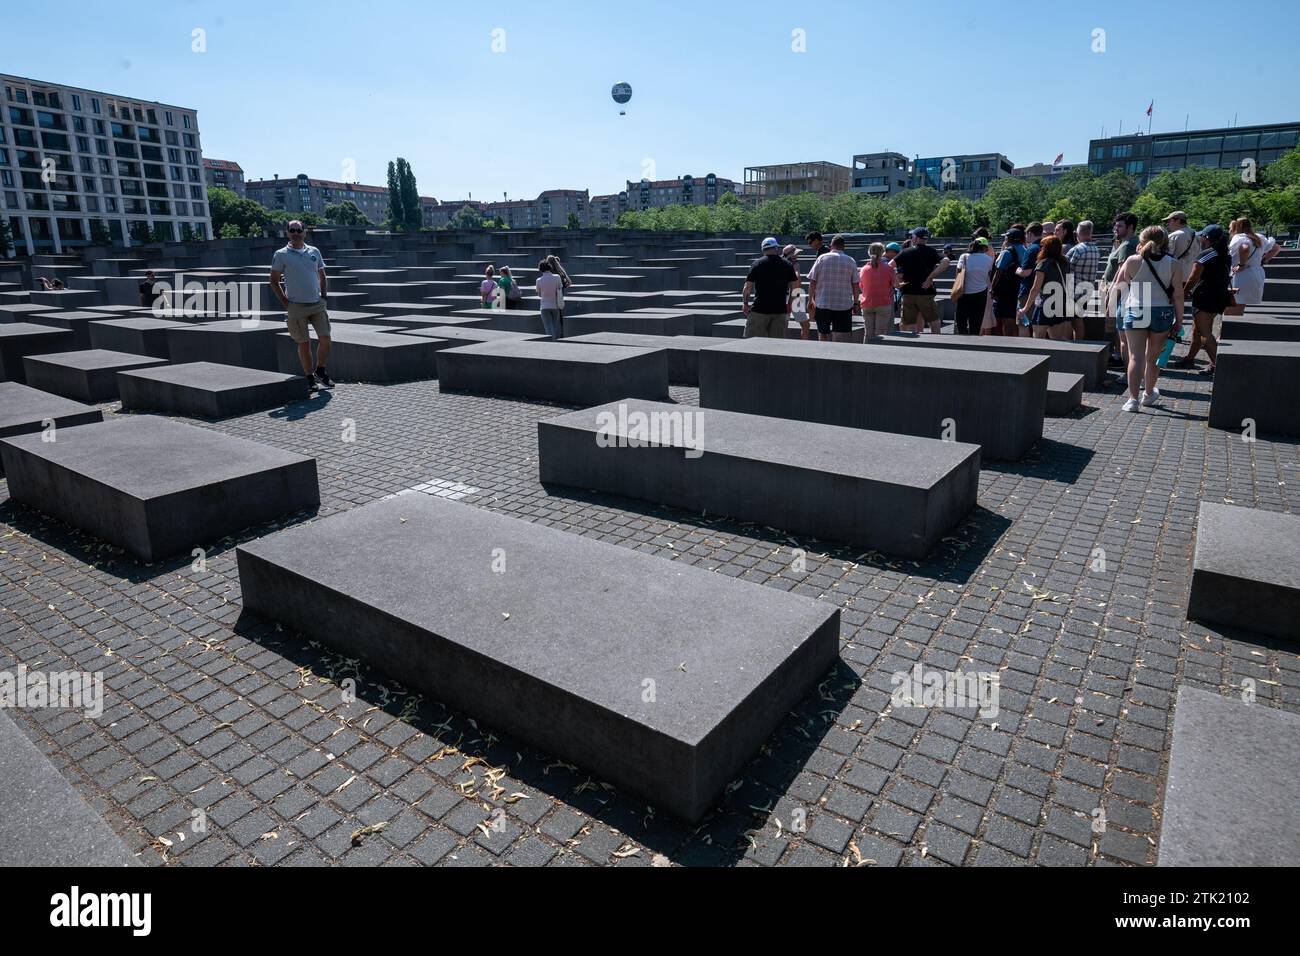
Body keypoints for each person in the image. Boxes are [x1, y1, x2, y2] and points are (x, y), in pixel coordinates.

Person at [1109, 225, 1184, 412]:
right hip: (1162, 312)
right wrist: (1180, 320)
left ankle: (1132, 400)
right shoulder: (1174, 264)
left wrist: (1110, 310)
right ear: (1165, 241)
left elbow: (1119, 287)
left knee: (1135, 357)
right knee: (1153, 357)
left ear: (1141, 240)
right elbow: (1178, 296)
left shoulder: (1132, 260)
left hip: (1136, 309)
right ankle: (1149, 393)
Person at [269, 219, 332, 391]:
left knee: (325, 339)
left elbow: (322, 275)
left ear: (305, 232)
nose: (296, 233)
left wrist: (324, 296)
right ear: (287, 233)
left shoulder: (314, 251)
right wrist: (285, 302)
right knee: (303, 343)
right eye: (292, 230)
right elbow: (274, 281)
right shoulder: (281, 254)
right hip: (295, 306)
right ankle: (309, 378)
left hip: (317, 303)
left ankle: (320, 371)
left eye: (299, 230)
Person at [1174, 224, 1232, 375]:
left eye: (1202, 236)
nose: (1200, 238)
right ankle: (1189, 359)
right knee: (1196, 330)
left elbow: (1193, 277)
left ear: (1206, 238)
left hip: (1205, 297)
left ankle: (1217, 365)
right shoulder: (1225, 254)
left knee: (1205, 332)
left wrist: (1184, 292)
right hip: (1218, 296)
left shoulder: (1206, 255)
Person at [892, 227, 948, 334]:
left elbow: (889, 266)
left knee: (909, 323)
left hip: (908, 293)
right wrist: (930, 278)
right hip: (926, 293)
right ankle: (937, 344)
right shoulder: (931, 251)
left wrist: (896, 283)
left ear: (915, 238)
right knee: (934, 322)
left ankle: (912, 346)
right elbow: (946, 262)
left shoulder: (905, 252)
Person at [806, 234, 861, 342]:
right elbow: (855, 284)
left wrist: (810, 300)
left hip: (823, 303)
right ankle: (836, 356)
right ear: (843, 246)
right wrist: (855, 302)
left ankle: (823, 356)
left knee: (822, 333)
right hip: (843, 305)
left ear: (831, 245)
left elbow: (812, 281)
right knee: (839, 335)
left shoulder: (821, 258)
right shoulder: (851, 261)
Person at [1018, 235, 1073, 340]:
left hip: (1044, 306)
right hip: (1060, 306)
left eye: (1042, 246)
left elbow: (1035, 288)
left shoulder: (1043, 264)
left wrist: (1025, 309)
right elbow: (1069, 283)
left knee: (1038, 340)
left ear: (1046, 249)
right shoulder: (1065, 262)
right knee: (1057, 340)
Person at [742, 237, 799, 338]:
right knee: (776, 346)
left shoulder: (757, 264)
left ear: (763, 249)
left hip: (759, 310)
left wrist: (745, 304)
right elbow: (795, 288)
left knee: (752, 346)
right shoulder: (788, 265)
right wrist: (790, 304)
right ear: (776, 248)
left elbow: (747, 287)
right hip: (780, 311)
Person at [1103, 212, 1140, 368]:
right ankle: (1121, 356)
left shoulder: (1127, 245)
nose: (1115, 228)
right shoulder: (1128, 242)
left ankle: (1121, 358)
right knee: (1119, 327)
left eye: (1120, 226)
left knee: (1119, 328)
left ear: (1130, 227)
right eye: (1115, 225)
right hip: (1124, 292)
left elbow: (1121, 272)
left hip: (1121, 292)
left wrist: (1112, 294)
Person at [1225, 217, 1275, 314]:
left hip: (1241, 274)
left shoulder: (1239, 237)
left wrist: (1241, 265)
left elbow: (1245, 248)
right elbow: (1276, 248)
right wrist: (1264, 260)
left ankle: (1233, 327)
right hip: (1256, 272)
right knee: (1240, 304)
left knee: (1234, 304)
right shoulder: (1259, 237)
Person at [1066, 220, 1100, 340]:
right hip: (1087, 290)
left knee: (1071, 321)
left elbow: (1065, 267)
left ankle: (1074, 346)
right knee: (1078, 319)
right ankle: (1079, 343)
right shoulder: (1096, 249)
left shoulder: (1077, 249)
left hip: (1073, 290)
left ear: (1078, 233)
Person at [991, 226, 1028, 337]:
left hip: (1006, 291)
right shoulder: (1026, 250)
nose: (1005, 240)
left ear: (1010, 239)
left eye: (1006, 237)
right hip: (1019, 288)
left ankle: (1009, 342)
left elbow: (998, 272)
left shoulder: (1007, 252)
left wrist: (992, 288)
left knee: (1006, 321)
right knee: (1015, 319)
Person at [953, 237, 993, 335]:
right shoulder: (989, 259)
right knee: (976, 323)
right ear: (984, 248)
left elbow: (958, 273)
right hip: (981, 294)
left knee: (961, 322)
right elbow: (989, 274)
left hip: (964, 293)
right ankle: (973, 344)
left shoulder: (964, 256)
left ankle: (963, 343)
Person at [859, 242, 898, 339]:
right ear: (883, 253)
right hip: (883, 303)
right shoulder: (889, 268)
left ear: (869, 252)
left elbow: (862, 287)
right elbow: (895, 284)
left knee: (868, 333)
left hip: (867, 303)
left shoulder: (863, 269)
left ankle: (866, 352)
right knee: (880, 333)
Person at [1015, 222, 1045, 328]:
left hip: (1028, 290)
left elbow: (1025, 272)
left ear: (1030, 233)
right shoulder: (1045, 246)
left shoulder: (1032, 249)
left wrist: (1017, 270)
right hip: (1043, 290)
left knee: (1024, 324)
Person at [783, 245, 811, 339]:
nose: (798, 255)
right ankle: (803, 347)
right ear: (791, 255)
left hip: (784, 295)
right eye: (796, 253)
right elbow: (797, 280)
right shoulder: (795, 265)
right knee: (805, 325)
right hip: (796, 295)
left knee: (784, 325)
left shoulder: (782, 264)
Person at [535, 260, 564, 340]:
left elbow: (539, 295)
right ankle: (555, 341)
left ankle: (551, 343)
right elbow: (560, 290)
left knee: (548, 327)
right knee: (555, 326)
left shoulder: (538, 280)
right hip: (555, 305)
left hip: (544, 305)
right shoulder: (557, 277)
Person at [885, 241, 903, 321]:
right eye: (896, 252)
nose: (897, 254)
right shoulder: (889, 264)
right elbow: (896, 283)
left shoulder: (877, 261)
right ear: (890, 251)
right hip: (887, 297)